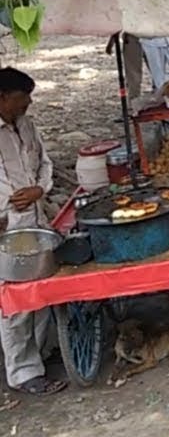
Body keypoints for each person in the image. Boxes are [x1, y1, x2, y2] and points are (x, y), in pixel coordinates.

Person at [0, 68, 64, 395]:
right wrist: (9, 204)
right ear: (2, 98)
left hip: (36, 218)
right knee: (15, 303)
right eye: (21, 99)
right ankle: (23, 372)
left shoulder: (26, 126)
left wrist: (40, 189)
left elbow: (45, 163)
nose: (28, 104)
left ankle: (40, 353)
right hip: (9, 226)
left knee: (41, 292)